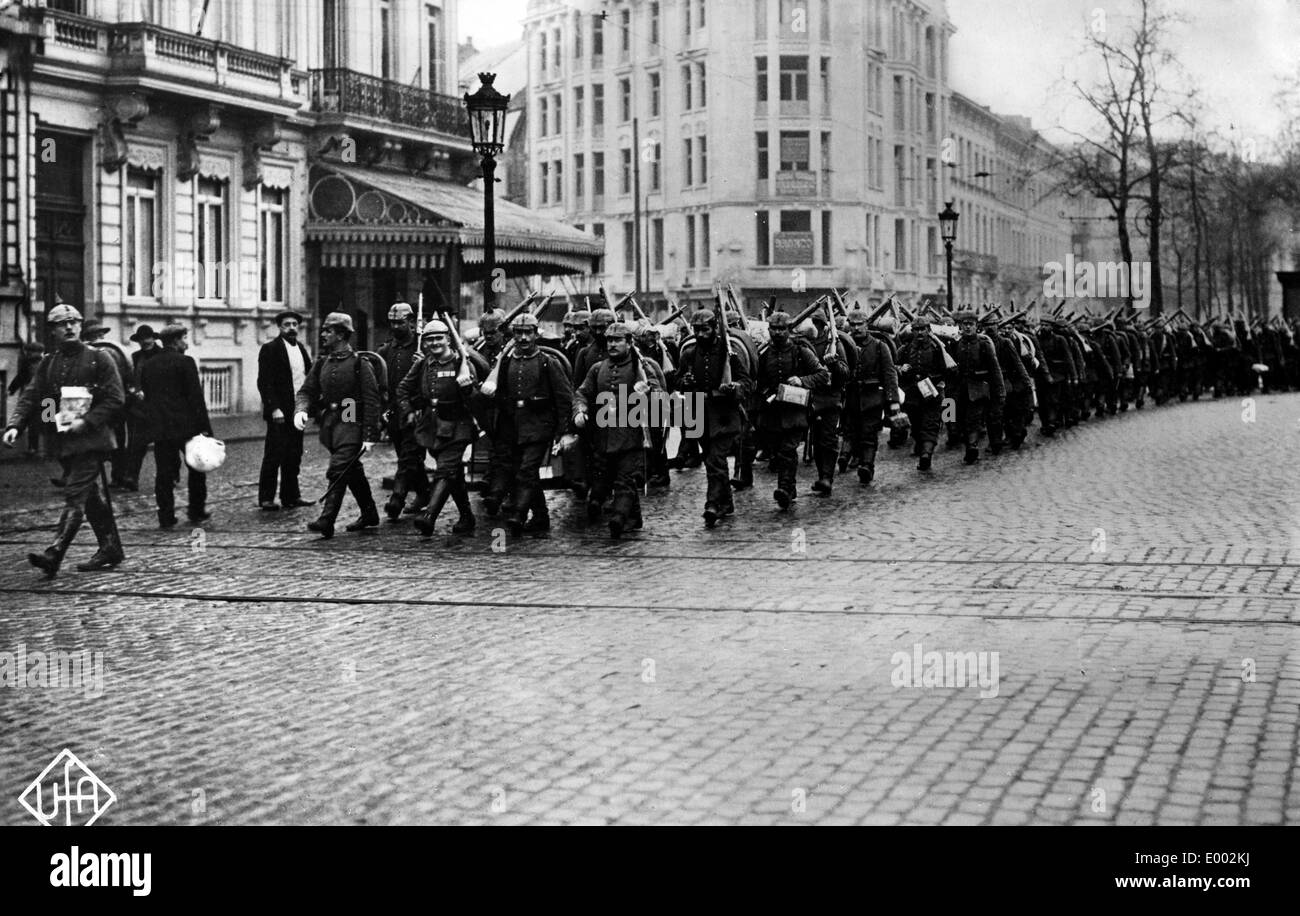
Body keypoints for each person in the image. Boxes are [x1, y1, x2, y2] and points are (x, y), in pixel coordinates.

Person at [2, 304, 125, 577]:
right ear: (53, 330)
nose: (69, 327)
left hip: (92, 442)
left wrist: (87, 420)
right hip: (63, 443)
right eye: (62, 323)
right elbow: (35, 398)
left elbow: (115, 399)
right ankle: (111, 547)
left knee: (74, 496)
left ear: (80, 326)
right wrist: (16, 425)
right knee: (89, 495)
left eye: (74, 322)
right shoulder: (48, 362)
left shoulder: (98, 358)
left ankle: (54, 553)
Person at [294, 312, 382, 539]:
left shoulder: (358, 364)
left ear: (342, 334)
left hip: (351, 419)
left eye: (328, 331)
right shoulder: (322, 362)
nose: (323, 334)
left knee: (339, 466)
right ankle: (369, 513)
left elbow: (372, 399)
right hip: (330, 424)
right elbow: (306, 391)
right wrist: (301, 409)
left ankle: (327, 519)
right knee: (351, 470)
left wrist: (371, 434)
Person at [484, 313, 573, 536]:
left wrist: (563, 432)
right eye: (519, 333)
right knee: (521, 471)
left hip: (539, 425)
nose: (523, 338)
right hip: (513, 426)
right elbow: (499, 396)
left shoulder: (547, 362)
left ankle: (519, 514)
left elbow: (564, 398)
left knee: (527, 470)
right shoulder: (505, 363)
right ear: (513, 335)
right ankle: (541, 516)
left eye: (528, 333)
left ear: (536, 334)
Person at [574, 321, 661, 538]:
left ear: (630, 343)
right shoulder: (598, 368)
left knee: (626, 478)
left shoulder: (642, 367)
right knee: (612, 476)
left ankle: (619, 517)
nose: (612, 345)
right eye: (609, 340)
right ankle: (634, 517)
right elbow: (582, 393)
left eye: (617, 340)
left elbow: (660, 395)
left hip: (632, 432)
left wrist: (647, 391)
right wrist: (580, 410)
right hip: (604, 434)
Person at [397, 318, 478, 537]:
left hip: (458, 426)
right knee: (453, 474)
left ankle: (429, 517)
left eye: (439, 338)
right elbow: (403, 389)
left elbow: (477, 401)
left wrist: (468, 388)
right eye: (429, 339)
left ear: (448, 340)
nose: (434, 343)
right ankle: (467, 517)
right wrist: (409, 411)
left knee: (444, 470)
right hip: (432, 427)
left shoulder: (462, 363)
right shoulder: (423, 364)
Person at [676, 309, 752, 527]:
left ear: (715, 327)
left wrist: (735, 387)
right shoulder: (689, 353)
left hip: (725, 414)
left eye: (705, 330)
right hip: (698, 412)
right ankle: (726, 503)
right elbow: (677, 379)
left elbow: (746, 382)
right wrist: (685, 382)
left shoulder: (729, 352)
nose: (700, 335)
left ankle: (712, 505)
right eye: (697, 330)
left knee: (715, 459)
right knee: (712, 460)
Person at [138, 324, 212, 529]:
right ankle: (196, 511)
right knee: (196, 470)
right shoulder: (186, 362)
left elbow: (148, 396)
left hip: (161, 428)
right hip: (187, 426)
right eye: (184, 338)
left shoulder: (149, 364)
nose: (186, 342)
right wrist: (205, 429)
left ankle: (166, 516)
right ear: (176, 341)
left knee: (164, 473)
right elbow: (196, 398)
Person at [755, 311, 829, 510]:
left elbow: (822, 375)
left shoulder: (800, 350)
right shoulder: (763, 353)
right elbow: (756, 380)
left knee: (788, 449)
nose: (777, 333)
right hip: (773, 411)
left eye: (782, 329)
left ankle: (785, 489)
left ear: (789, 330)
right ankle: (790, 487)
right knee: (778, 451)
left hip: (796, 409)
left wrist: (801, 381)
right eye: (773, 329)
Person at [377, 301, 429, 521]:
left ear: (411, 321)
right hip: (395, 413)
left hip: (418, 412)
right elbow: (380, 386)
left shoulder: (423, 347)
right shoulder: (385, 351)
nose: (395, 326)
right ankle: (425, 493)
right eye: (392, 323)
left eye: (400, 322)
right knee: (409, 457)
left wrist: (425, 362)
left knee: (408, 457)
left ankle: (397, 499)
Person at [257, 310, 313, 510]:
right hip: (280, 412)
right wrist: (273, 408)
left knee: (294, 454)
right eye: (287, 324)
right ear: (279, 327)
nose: (291, 328)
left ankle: (291, 496)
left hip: (298, 410)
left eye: (295, 325)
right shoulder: (270, 349)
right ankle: (266, 498)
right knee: (274, 454)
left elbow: (309, 376)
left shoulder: (301, 349)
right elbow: (264, 382)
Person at [844, 308, 900, 485]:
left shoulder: (879, 346)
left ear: (867, 324)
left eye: (860, 324)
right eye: (853, 325)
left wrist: (893, 401)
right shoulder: (843, 344)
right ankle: (855, 458)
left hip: (873, 398)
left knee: (869, 433)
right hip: (850, 398)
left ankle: (867, 466)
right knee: (852, 432)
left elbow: (890, 374)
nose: (857, 328)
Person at [80, 319, 133, 487]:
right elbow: (129, 374)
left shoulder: (87, 352)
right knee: (118, 440)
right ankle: (119, 476)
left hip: (97, 405)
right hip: (117, 403)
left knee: (94, 442)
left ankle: (88, 477)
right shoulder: (117, 350)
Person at [896, 316, 949, 472]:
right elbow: (893, 367)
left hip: (932, 393)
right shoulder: (905, 349)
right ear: (912, 331)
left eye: (923, 329)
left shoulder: (937, 348)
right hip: (912, 395)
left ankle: (926, 455)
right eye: (916, 329)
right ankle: (920, 445)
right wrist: (901, 368)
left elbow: (947, 369)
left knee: (930, 424)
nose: (920, 332)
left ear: (929, 330)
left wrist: (936, 381)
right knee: (917, 425)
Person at [953, 310, 1005, 463]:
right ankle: (969, 443)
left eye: (971, 324)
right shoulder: (955, 344)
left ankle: (972, 447)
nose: (968, 327)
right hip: (959, 390)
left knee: (974, 419)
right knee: (958, 419)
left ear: (977, 326)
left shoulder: (984, 344)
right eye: (965, 324)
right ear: (960, 326)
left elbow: (995, 369)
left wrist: (1000, 391)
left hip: (979, 389)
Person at [116, 324, 160, 490]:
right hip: (138, 408)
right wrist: (132, 390)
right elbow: (128, 378)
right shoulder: (135, 357)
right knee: (135, 444)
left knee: (165, 445)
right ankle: (131, 478)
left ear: (154, 338)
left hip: (158, 407)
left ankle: (173, 475)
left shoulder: (162, 355)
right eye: (142, 339)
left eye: (148, 338)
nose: (145, 342)